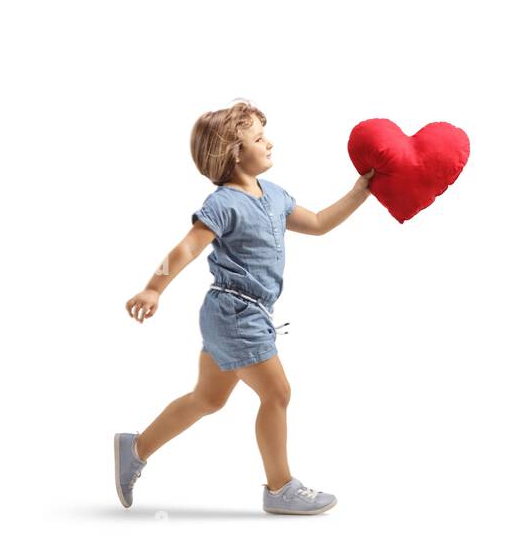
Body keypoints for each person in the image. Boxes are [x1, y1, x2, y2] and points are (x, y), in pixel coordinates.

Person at [117, 98, 374, 514]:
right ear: (235, 152)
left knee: (207, 399)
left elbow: (319, 223)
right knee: (277, 392)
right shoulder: (223, 204)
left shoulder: (274, 196)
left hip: (240, 314)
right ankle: (280, 487)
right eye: (259, 138)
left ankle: (136, 448)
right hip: (236, 313)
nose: (268, 143)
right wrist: (153, 288)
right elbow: (186, 249)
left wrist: (361, 191)